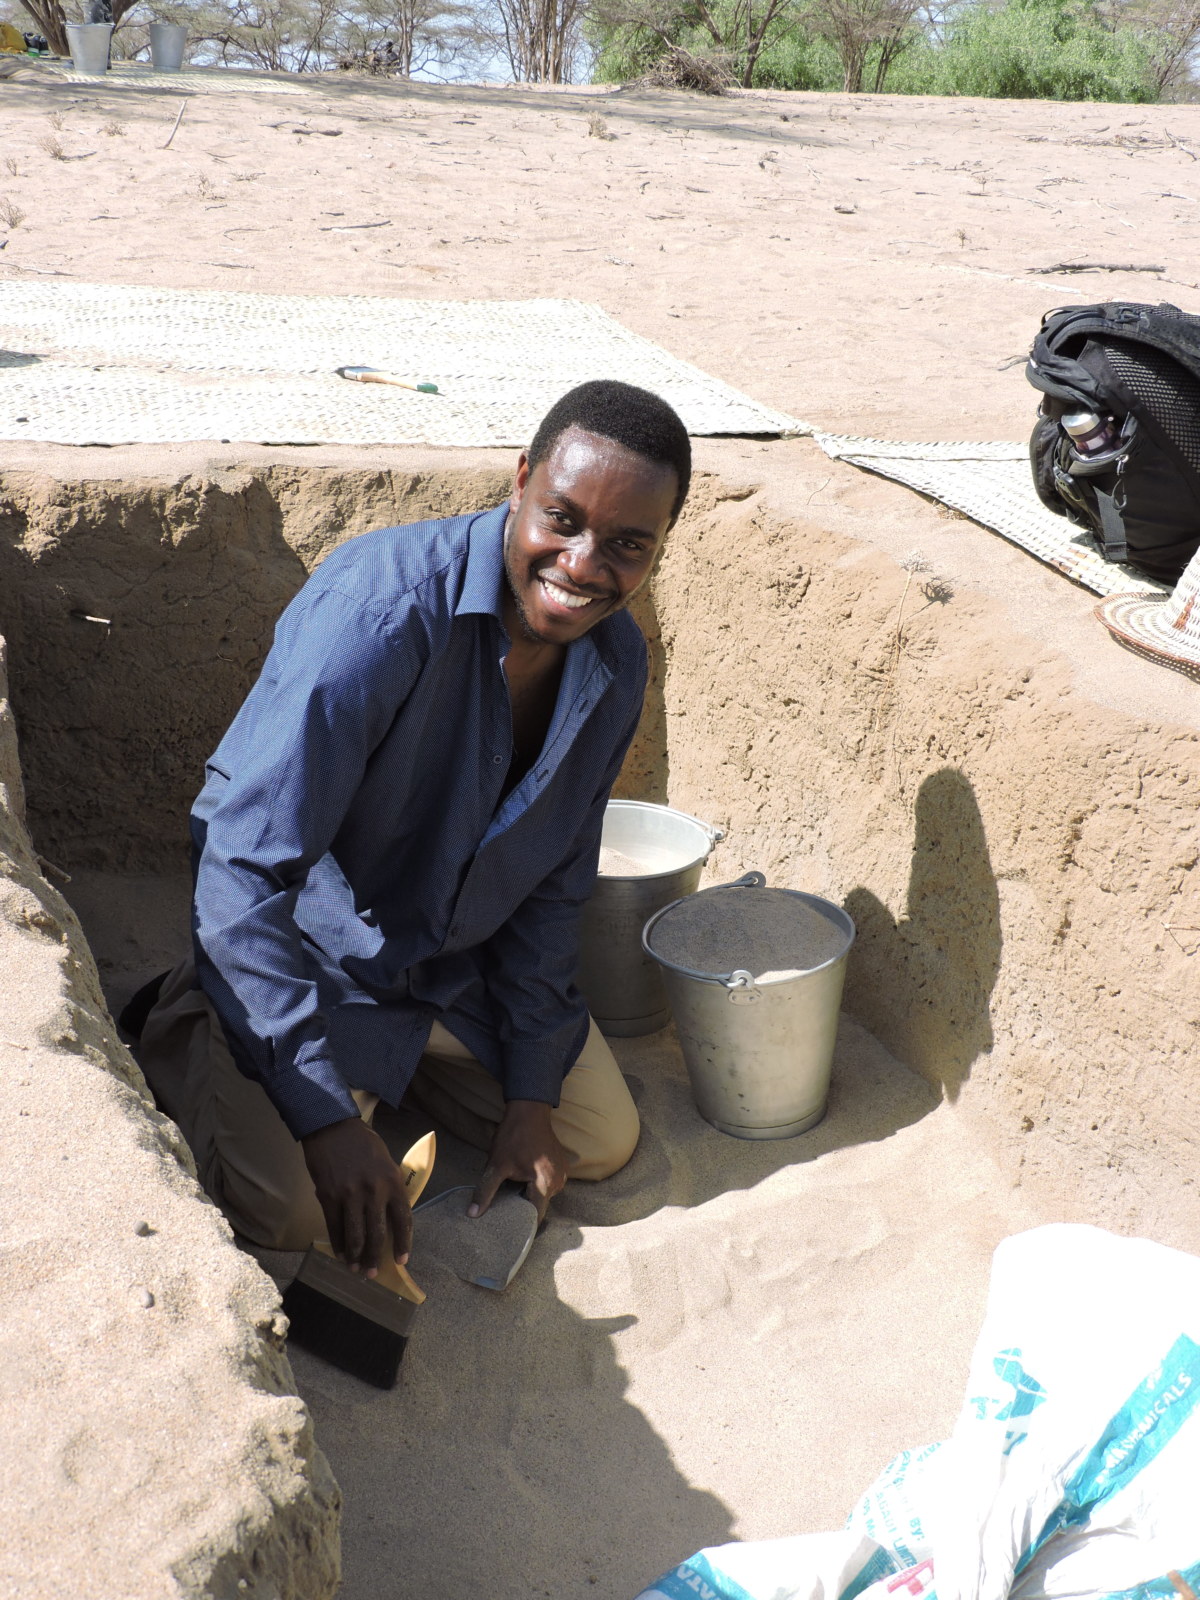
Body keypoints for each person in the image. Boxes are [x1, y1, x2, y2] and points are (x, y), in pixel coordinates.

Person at [136, 379, 691, 1283]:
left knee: (594, 1139)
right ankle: (195, 1029)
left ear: (661, 544)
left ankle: (393, 1078)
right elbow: (239, 864)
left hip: (451, 976)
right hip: (320, 969)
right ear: (521, 480)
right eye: (562, 519)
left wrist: (529, 1093)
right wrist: (323, 1120)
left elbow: (553, 887)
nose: (584, 565)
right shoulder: (380, 611)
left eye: (628, 545)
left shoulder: (615, 663)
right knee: (295, 1212)